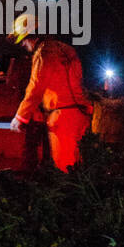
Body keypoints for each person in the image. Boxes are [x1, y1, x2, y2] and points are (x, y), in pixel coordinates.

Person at [8, 14, 92, 171]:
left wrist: (20, 117)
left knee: (66, 168)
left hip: (62, 118)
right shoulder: (67, 49)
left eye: (23, 40)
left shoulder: (43, 54)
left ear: (30, 36)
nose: (24, 45)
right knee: (80, 167)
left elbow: (35, 88)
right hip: (81, 114)